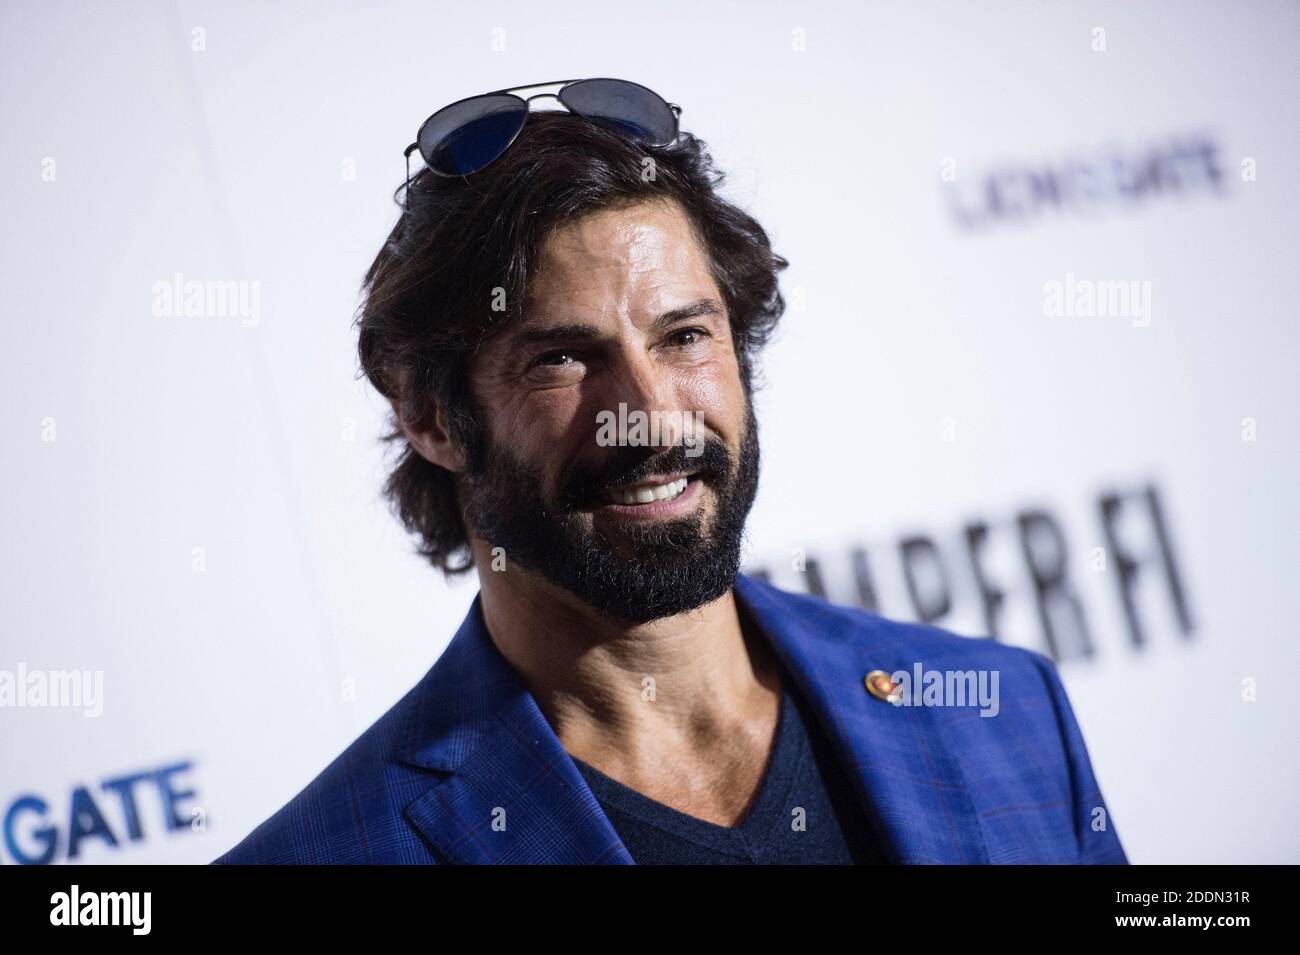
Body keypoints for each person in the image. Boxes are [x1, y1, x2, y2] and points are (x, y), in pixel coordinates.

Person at [215, 81, 1128, 865]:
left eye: (684, 335)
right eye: (564, 358)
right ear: (431, 415)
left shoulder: (1005, 715)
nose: (649, 415)